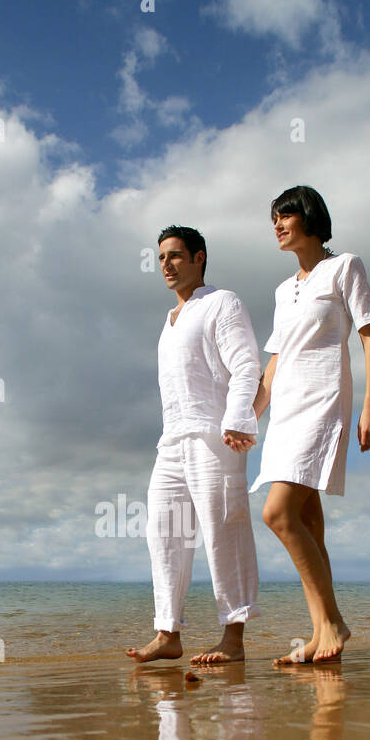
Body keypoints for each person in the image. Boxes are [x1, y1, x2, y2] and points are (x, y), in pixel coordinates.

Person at [250, 186, 370, 664]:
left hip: (324, 401)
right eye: (274, 221)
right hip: (285, 409)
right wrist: (252, 412)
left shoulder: (345, 266)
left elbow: (369, 336)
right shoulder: (284, 290)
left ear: (309, 218)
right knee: (308, 523)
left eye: (285, 217)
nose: (278, 227)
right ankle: (321, 631)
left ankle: (333, 624)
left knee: (277, 513)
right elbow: (276, 357)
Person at [127, 226, 261, 665]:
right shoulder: (168, 322)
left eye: (176, 256)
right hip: (172, 440)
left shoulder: (223, 302)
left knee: (224, 528)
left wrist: (239, 417)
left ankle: (233, 638)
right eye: (161, 257)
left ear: (199, 258)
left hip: (214, 434)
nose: (166, 264)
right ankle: (168, 633)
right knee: (163, 532)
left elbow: (246, 365)